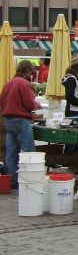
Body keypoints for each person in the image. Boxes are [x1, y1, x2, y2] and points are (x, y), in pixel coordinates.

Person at [1, 60, 38, 188]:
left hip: (9, 120)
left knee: (11, 153)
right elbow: (29, 103)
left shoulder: (8, 83)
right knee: (28, 153)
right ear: (28, 71)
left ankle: (13, 180)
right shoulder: (24, 84)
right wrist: (37, 104)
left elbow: (2, 101)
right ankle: (29, 180)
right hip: (21, 120)